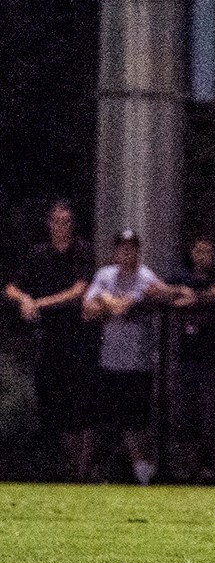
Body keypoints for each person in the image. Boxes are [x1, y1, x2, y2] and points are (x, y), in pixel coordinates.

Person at [82, 230, 186, 485]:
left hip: (138, 362)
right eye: (122, 248)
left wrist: (112, 301)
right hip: (110, 360)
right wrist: (107, 301)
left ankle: (144, 474)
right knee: (105, 420)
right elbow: (87, 309)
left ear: (137, 250)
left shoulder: (145, 276)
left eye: (131, 248)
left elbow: (157, 296)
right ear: (115, 251)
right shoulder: (105, 275)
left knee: (137, 422)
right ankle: (91, 472)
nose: (126, 252)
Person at [3, 200, 96, 479]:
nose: (61, 226)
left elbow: (79, 290)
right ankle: (75, 466)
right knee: (51, 403)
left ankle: (83, 470)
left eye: (66, 221)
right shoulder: (38, 254)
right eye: (57, 221)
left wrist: (39, 303)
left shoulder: (82, 251)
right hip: (49, 339)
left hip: (79, 339)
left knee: (83, 406)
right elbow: (10, 288)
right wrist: (25, 300)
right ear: (49, 224)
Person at [169, 236, 215, 482]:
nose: (202, 255)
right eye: (197, 250)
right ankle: (189, 471)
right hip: (187, 358)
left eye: (207, 251)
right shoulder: (181, 276)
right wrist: (178, 292)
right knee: (186, 417)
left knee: (213, 418)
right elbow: (160, 291)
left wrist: (194, 298)